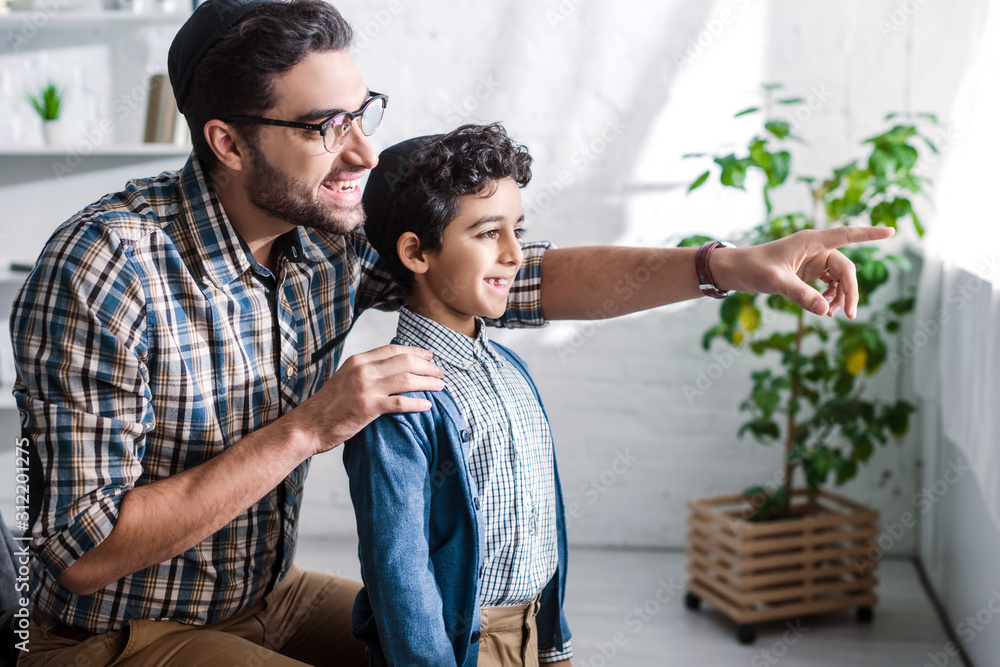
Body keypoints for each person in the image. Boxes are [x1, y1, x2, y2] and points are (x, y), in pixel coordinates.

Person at [8, 0, 892, 664]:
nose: (361, 155)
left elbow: (519, 274)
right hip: (117, 632)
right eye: (324, 128)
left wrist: (717, 266)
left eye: (362, 113)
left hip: (262, 596)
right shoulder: (105, 268)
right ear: (229, 144)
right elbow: (85, 551)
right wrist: (310, 427)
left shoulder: (324, 241)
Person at [344, 124, 572, 667]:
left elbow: (546, 521)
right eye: (489, 233)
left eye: (517, 229)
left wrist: (554, 643)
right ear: (417, 254)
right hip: (461, 648)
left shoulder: (513, 372)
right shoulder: (397, 398)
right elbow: (398, 572)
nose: (516, 254)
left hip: (530, 634)